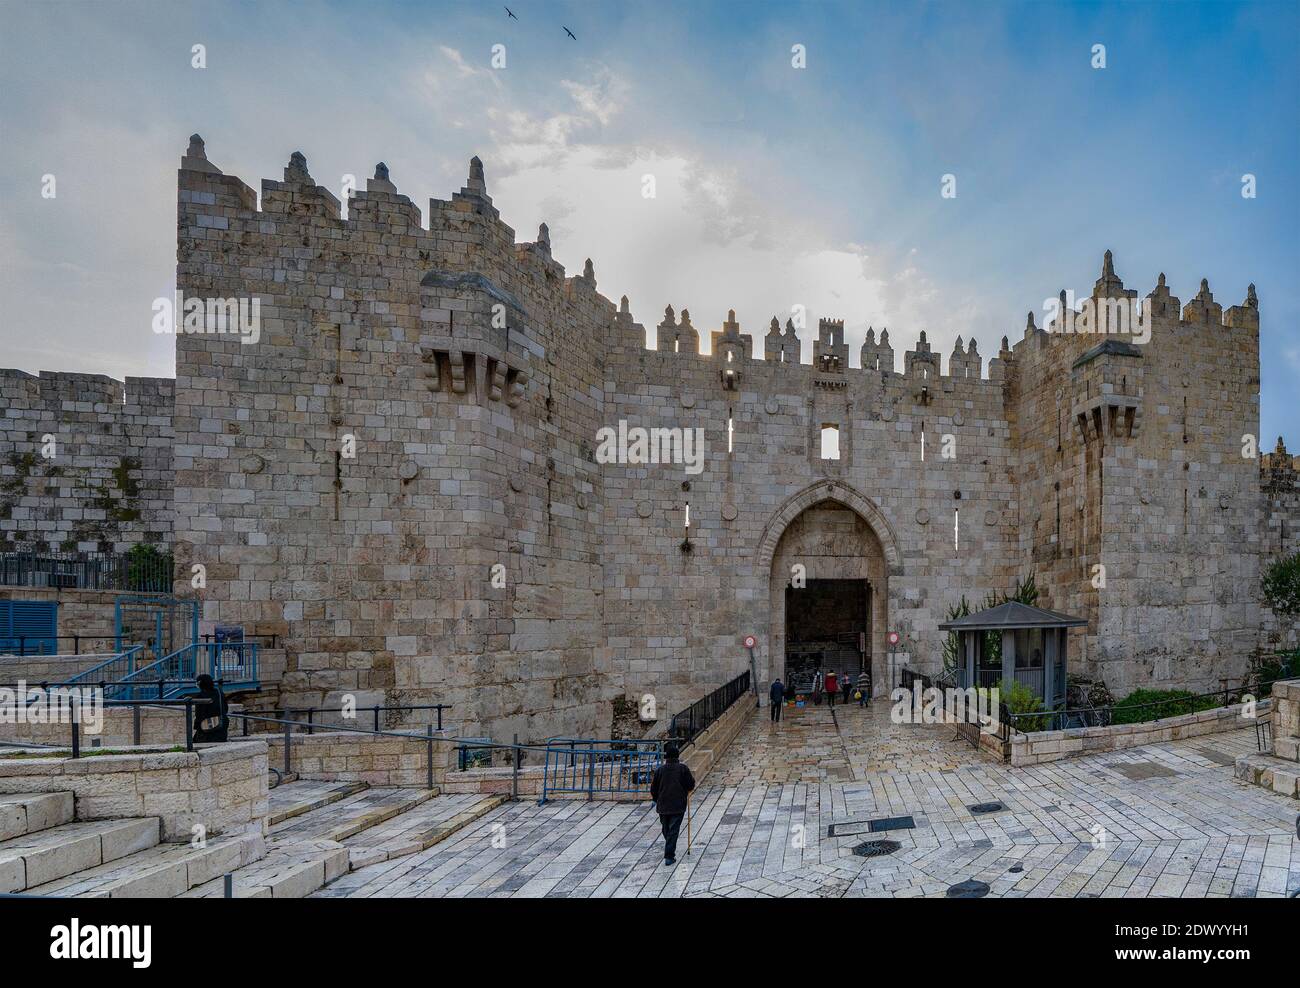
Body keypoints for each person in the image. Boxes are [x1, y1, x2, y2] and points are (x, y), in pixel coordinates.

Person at [650, 741, 695, 866]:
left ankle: (669, 855)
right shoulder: (683, 769)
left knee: (667, 829)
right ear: (677, 757)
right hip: (678, 805)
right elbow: (690, 784)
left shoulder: (660, 770)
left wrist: (655, 798)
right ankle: (669, 853)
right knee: (671, 830)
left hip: (663, 806)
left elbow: (654, 787)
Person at [191, 674, 228, 743]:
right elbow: (225, 708)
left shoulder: (201, 696)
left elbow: (199, 714)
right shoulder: (219, 693)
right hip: (221, 727)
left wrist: (197, 726)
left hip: (207, 728)